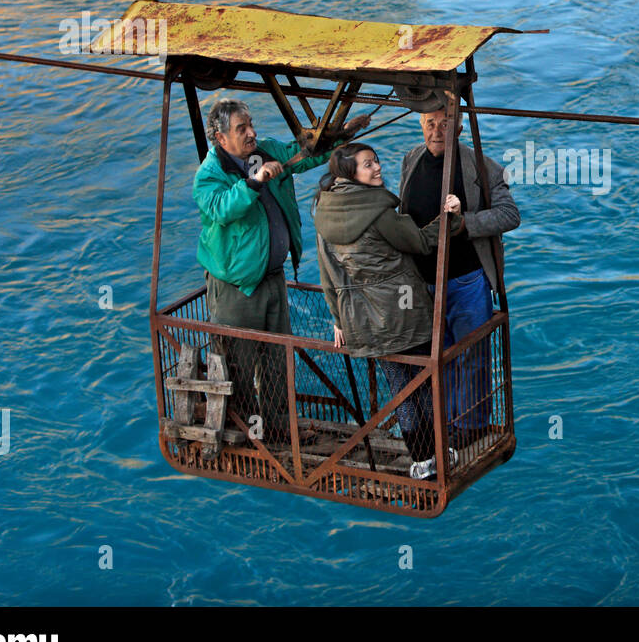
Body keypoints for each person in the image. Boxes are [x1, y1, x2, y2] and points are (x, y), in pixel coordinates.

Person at [194, 98, 369, 445]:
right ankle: (243, 431)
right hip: (236, 287)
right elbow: (222, 208)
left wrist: (340, 139)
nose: (252, 133)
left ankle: (277, 425)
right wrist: (254, 182)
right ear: (220, 137)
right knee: (239, 363)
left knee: (277, 360)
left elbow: (305, 156)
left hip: (272, 276)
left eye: (251, 124)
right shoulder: (208, 176)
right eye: (242, 128)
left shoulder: (266, 151)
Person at [314, 141, 465, 480]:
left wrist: (338, 319)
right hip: (403, 309)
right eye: (368, 164)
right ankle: (440, 452)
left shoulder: (324, 210)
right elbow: (422, 243)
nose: (377, 167)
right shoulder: (377, 211)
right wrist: (449, 219)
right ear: (351, 172)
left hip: (363, 319)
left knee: (401, 387)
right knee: (423, 382)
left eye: (376, 161)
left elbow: (329, 273)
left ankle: (421, 459)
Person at [399, 96, 520, 448]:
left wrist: (466, 222)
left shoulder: (482, 167)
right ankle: (446, 422)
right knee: (438, 354)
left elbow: (509, 215)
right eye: (430, 124)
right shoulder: (410, 160)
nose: (436, 131)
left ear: (460, 127)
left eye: (444, 123)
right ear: (421, 126)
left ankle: (471, 425)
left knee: (470, 354)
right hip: (423, 282)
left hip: (467, 278)